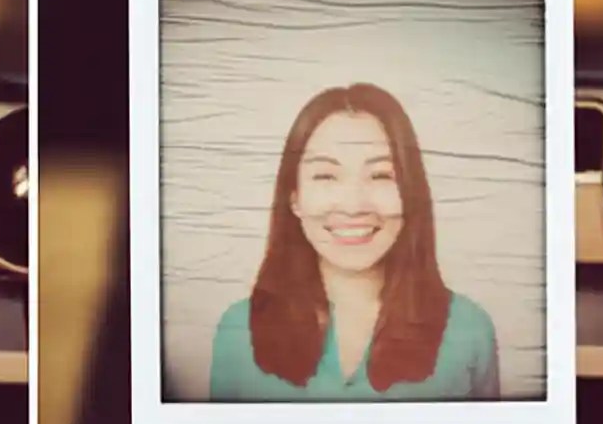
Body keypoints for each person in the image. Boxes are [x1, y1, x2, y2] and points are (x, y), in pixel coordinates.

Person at [209, 83, 499, 402]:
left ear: (411, 194)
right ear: (294, 199)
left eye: (380, 176)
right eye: (326, 176)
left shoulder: (469, 329)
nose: (353, 205)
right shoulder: (238, 330)